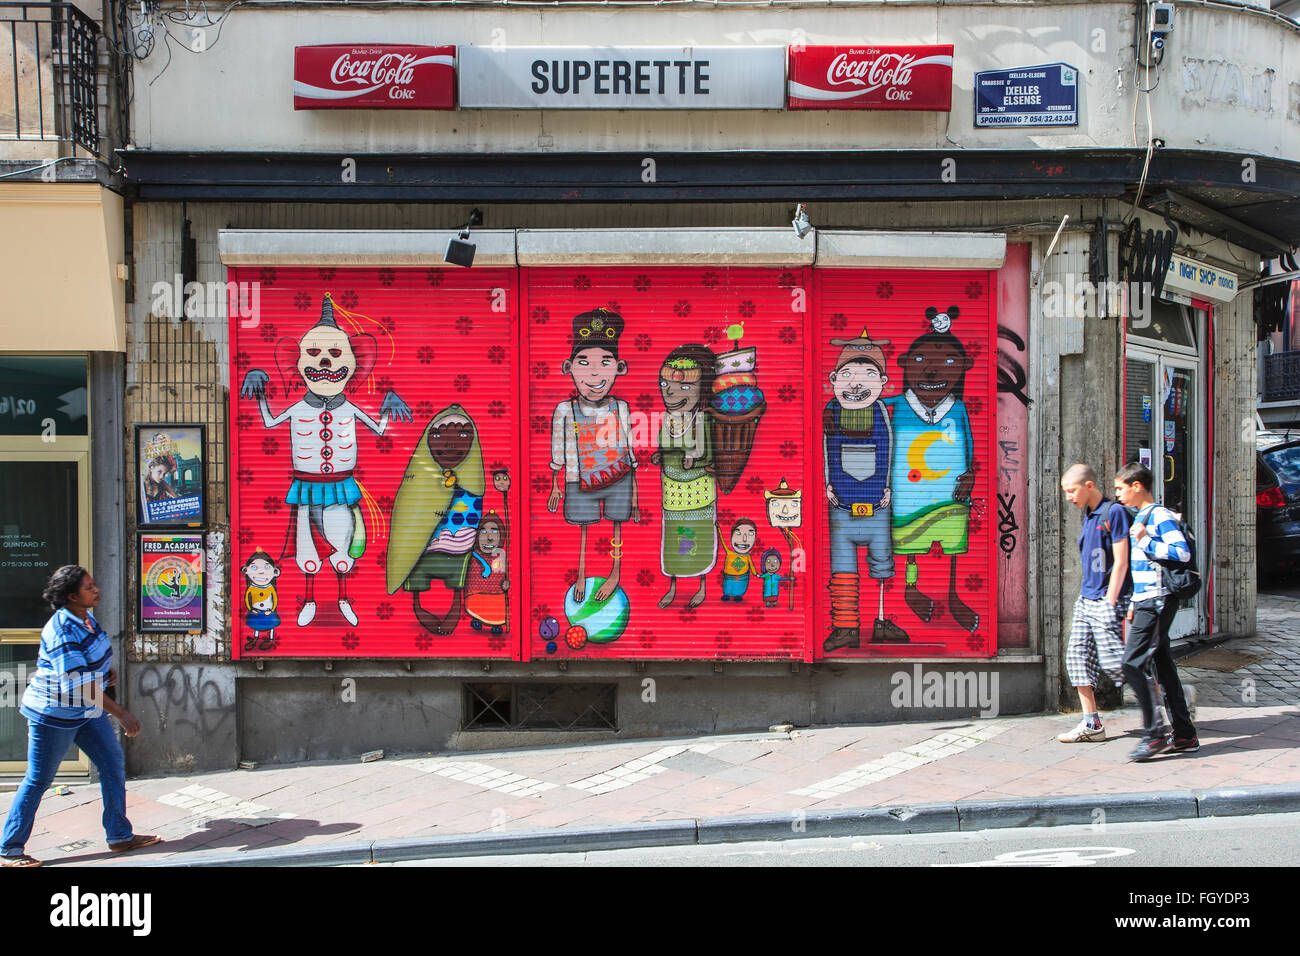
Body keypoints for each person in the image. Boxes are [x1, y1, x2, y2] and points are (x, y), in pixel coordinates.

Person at [2, 567, 161, 867]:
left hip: (85, 710)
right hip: (52, 715)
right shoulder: (62, 629)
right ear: (72, 596)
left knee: (112, 764)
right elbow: (77, 683)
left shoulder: (86, 618)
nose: (96, 590)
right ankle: (10, 849)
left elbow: (89, 668)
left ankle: (119, 836)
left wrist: (104, 674)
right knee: (38, 779)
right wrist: (121, 713)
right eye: (89, 587)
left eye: (94, 584)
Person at [547, 308, 639, 604]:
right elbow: (558, 449)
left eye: (605, 362)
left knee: (616, 525)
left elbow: (630, 450)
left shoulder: (621, 408)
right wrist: (555, 484)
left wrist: (634, 496)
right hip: (577, 479)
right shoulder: (564, 409)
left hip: (619, 476)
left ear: (619, 367)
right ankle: (581, 573)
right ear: (569, 367)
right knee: (584, 529)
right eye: (583, 362)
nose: (594, 373)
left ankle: (615, 573)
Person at [823, 330, 905, 649]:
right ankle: (846, 628)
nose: (857, 383)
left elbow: (888, 450)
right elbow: (826, 448)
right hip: (841, 504)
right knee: (843, 568)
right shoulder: (831, 411)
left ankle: (883, 620)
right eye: (848, 374)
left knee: (882, 564)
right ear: (834, 378)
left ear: (882, 381)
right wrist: (827, 485)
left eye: (868, 374)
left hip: (876, 505)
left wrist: (887, 489)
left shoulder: (881, 412)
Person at [1113, 463, 1200, 761]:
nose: (1118, 494)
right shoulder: (1142, 517)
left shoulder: (1158, 516)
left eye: (1121, 488)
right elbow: (1144, 569)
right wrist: (1135, 601)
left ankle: (1154, 734)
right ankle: (1185, 734)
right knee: (1162, 666)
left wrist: (1145, 540)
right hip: (1148, 599)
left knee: (1132, 663)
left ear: (1137, 486)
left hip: (1158, 600)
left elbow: (1181, 553)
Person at [1058, 464, 1131, 742]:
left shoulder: (1115, 512)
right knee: (1076, 659)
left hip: (1106, 599)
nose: (1068, 497)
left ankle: (1172, 703)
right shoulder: (1088, 514)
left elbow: (1122, 561)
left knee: (1116, 665)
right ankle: (1092, 724)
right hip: (1086, 599)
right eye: (1066, 492)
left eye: (1072, 490)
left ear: (1089, 486)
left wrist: (1110, 602)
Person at [651, 345, 719, 609]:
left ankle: (702, 585)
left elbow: (707, 453)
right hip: (672, 492)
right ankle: (674, 586)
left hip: (699, 492)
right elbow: (663, 447)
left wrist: (695, 458)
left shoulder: (701, 419)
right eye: (665, 383)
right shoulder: (666, 419)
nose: (670, 392)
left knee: (700, 538)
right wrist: (660, 456)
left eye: (684, 388)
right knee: (673, 540)